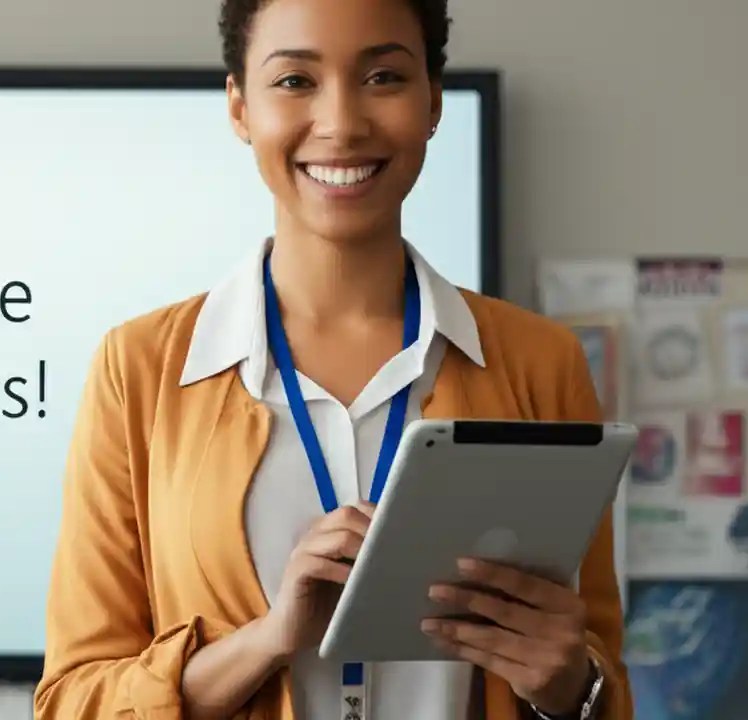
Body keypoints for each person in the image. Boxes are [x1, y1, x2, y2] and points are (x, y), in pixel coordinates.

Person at [33, 0, 630, 718]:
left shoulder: (541, 363)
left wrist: (568, 684)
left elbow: (602, 682)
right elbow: (73, 701)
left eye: (384, 76)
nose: (342, 124)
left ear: (433, 102)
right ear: (239, 108)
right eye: (294, 81)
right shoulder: (140, 370)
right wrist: (267, 640)